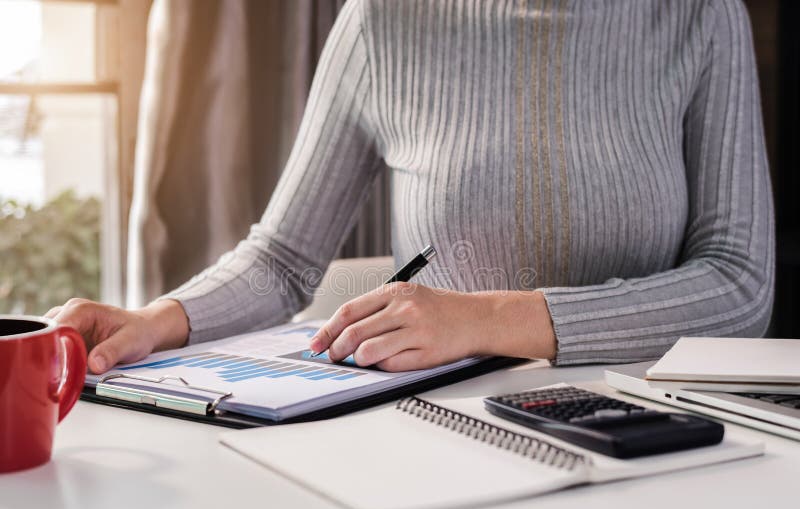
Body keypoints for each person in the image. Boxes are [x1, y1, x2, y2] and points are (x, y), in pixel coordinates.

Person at [48, 0, 774, 375]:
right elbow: (281, 261)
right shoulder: (382, 22)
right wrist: (154, 319)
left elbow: (740, 286)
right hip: (443, 432)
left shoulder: (702, 17)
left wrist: (485, 318)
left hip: (653, 431)